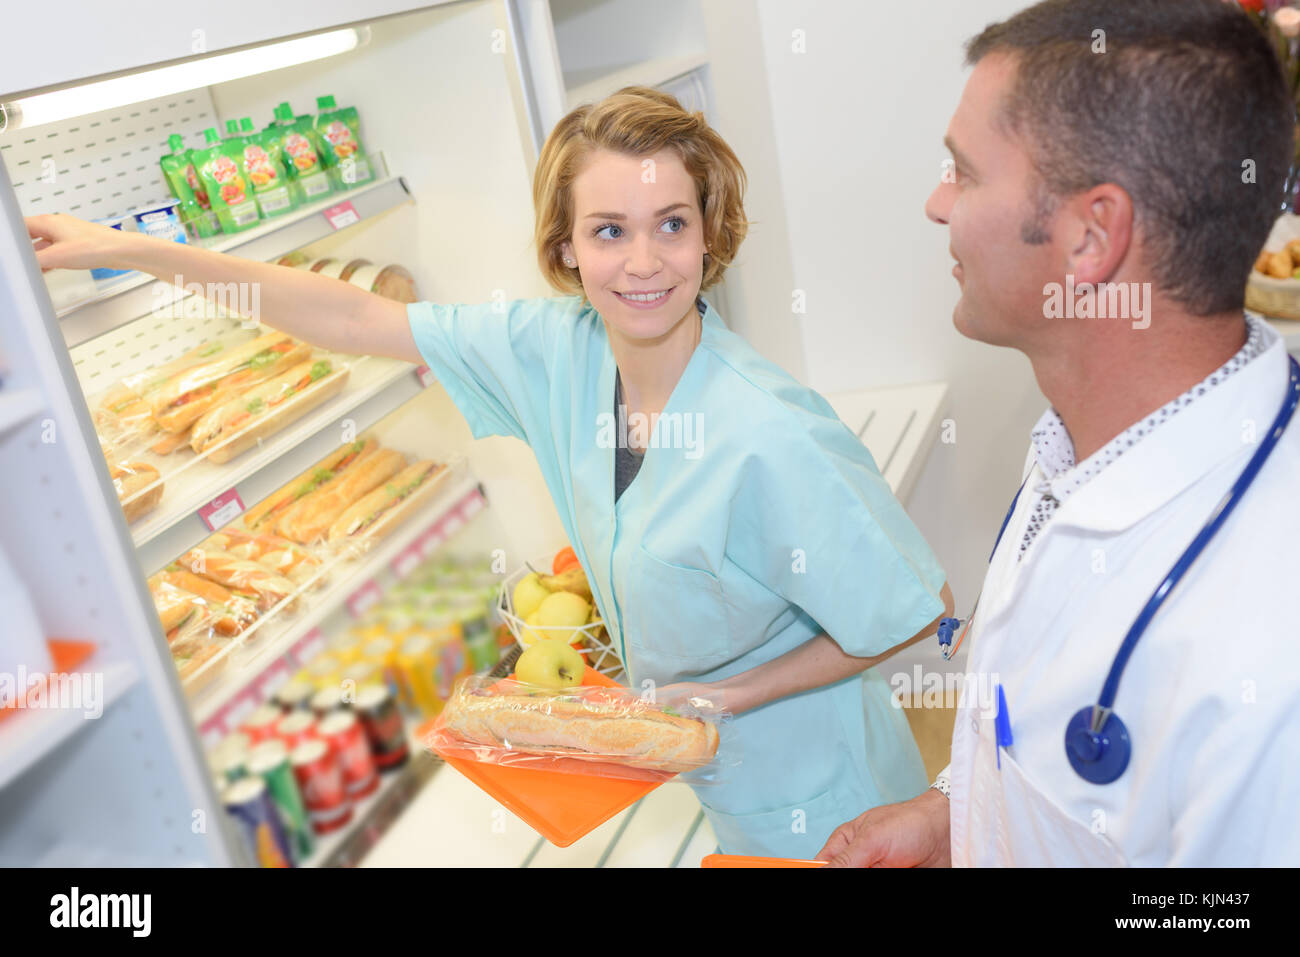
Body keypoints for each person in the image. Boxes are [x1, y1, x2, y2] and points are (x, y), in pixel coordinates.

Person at [30, 87, 953, 859]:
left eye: (672, 224)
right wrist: (129, 250)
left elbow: (917, 603)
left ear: (709, 234)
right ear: (564, 249)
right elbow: (358, 321)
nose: (643, 262)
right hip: (717, 787)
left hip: (833, 802)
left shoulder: (768, 430)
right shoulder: (556, 351)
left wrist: (729, 694)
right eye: (608, 230)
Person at [819, 0, 1300, 867]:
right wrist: (956, 813)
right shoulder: (1088, 439)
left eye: (962, 174)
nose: (936, 205)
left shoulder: (1269, 661)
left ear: (1091, 238)